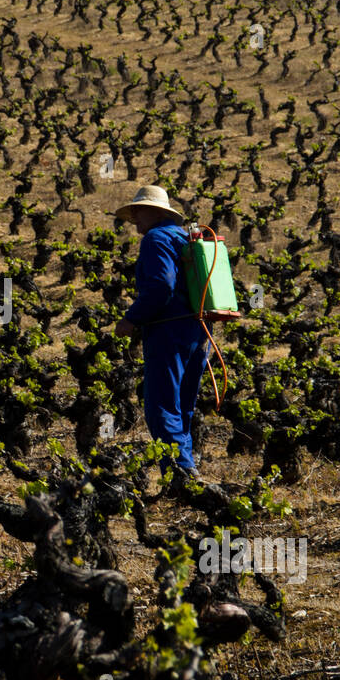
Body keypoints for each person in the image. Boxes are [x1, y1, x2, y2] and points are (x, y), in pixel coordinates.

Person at [112, 185, 210, 479]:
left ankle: (181, 475)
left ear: (153, 212)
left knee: (162, 407)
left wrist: (131, 319)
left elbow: (161, 287)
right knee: (183, 405)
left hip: (169, 333)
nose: (135, 221)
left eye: (137, 212)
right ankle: (186, 469)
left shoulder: (156, 239)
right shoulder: (185, 238)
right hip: (199, 330)